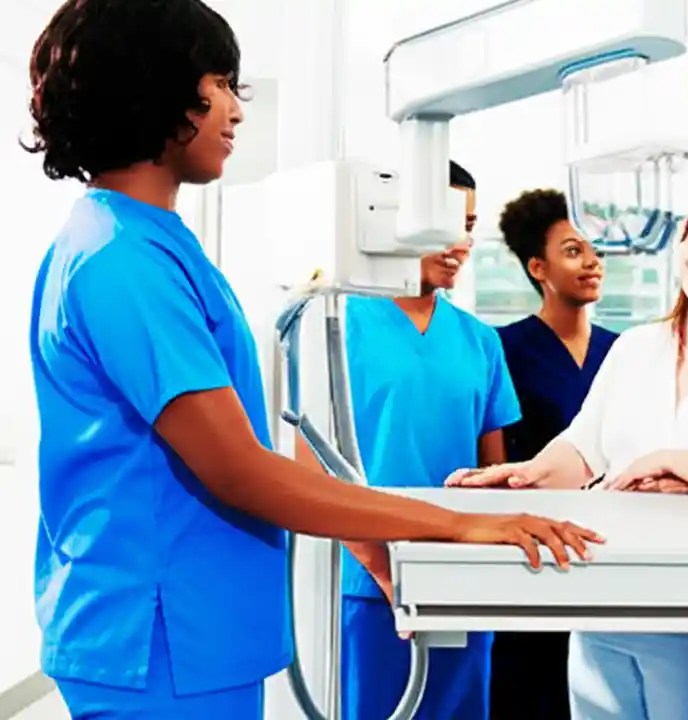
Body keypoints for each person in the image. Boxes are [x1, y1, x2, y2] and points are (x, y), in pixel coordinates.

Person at [21, 2, 598, 717]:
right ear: (158, 87)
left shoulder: (149, 242)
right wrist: (451, 523)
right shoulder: (122, 260)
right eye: (221, 84)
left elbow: (253, 454)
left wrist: (411, 530)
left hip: (191, 631)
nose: (236, 108)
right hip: (158, 637)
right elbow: (239, 468)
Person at [449, 185, 688, 720]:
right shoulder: (637, 347)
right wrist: (520, 476)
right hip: (601, 596)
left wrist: (674, 461)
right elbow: (583, 447)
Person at [334, 161, 520, 720]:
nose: (459, 242)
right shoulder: (340, 324)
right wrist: (381, 569)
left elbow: (493, 473)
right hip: (368, 580)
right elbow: (318, 466)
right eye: (443, 224)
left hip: (463, 579)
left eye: (468, 224)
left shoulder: (479, 342)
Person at [488, 188, 620, 719]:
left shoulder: (624, 352)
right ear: (538, 267)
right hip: (531, 553)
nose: (591, 262)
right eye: (572, 250)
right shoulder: (503, 348)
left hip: (609, 544)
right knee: (526, 690)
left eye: (596, 251)